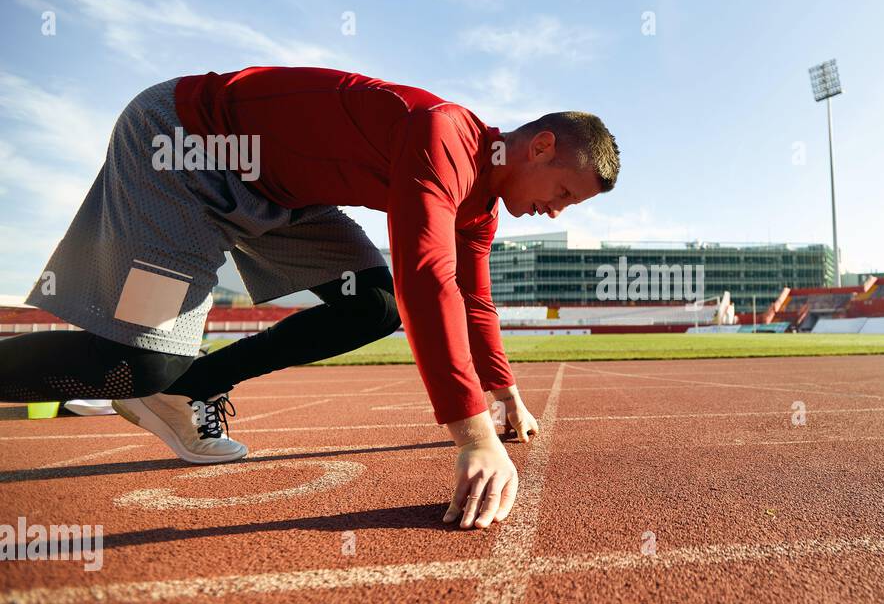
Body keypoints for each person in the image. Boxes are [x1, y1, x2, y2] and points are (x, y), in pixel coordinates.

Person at [0, 67, 619, 529]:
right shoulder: (445, 134)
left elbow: (472, 300)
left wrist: (505, 393)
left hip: (281, 196)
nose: (556, 211)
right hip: (186, 149)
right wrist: (474, 437)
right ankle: (160, 380)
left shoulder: (480, 207)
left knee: (373, 305)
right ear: (540, 147)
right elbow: (427, 274)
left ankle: (189, 388)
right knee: (137, 364)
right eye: (564, 193)